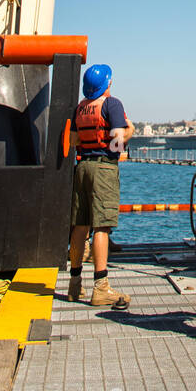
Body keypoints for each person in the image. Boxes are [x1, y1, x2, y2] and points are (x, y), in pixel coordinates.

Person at [67, 63, 134, 306]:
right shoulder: (112, 104)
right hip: (104, 168)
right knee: (102, 227)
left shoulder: (80, 108)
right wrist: (130, 132)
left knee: (80, 225)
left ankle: (74, 285)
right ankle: (101, 286)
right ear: (107, 83)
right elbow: (116, 144)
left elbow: (75, 140)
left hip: (82, 166)